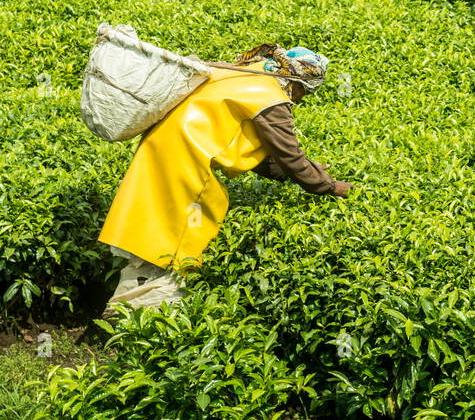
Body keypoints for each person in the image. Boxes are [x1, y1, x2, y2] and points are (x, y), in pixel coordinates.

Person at [100, 43, 352, 312]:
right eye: (305, 93)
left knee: (154, 226)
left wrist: (306, 169)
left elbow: (251, 147)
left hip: (161, 148)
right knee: (185, 233)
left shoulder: (250, 73)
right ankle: (145, 314)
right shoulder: (272, 99)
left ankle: (133, 299)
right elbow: (289, 155)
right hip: (187, 159)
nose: (300, 100)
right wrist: (330, 186)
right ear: (298, 84)